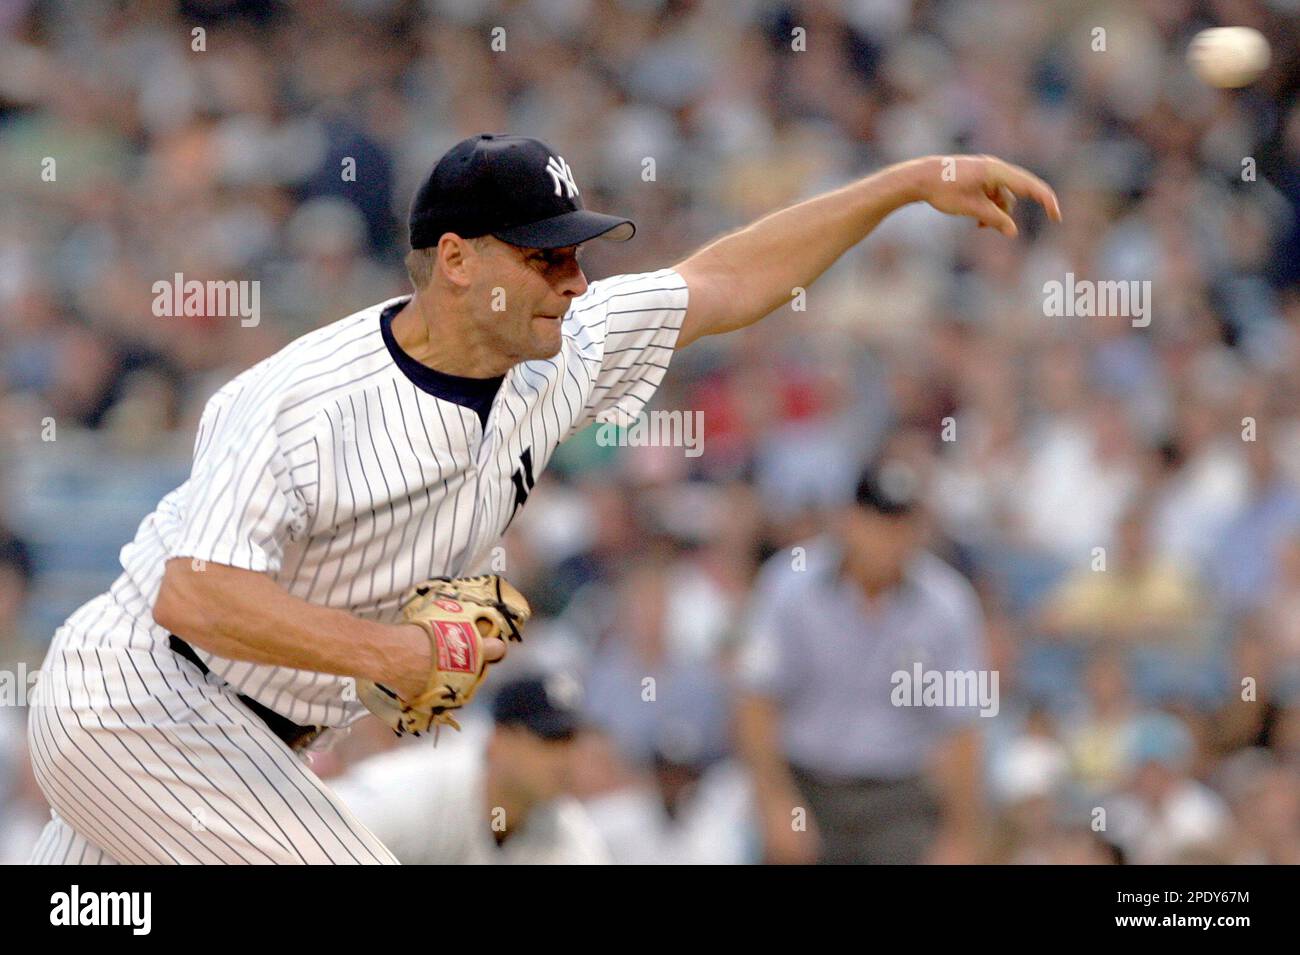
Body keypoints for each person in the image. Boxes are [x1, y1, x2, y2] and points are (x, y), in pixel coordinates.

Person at [28, 132, 1060, 864]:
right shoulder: (301, 399)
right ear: (456, 260)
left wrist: (905, 183)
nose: (571, 280)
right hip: (146, 701)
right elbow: (193, 595)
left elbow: (726, 284)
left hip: (251, 734)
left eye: (574, 253)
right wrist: (389, 652)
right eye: (543, 255)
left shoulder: (553, 361)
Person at [736, 457, 992, 864]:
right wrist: (774, 801)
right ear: (849, 520)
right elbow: (755, 701)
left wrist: (960, 834)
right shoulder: (789, 584)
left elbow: (962, 729)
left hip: (898, 796)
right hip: (807, 785)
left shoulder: (948, 604)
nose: (889, 538)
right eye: (877, 521)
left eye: (900, 525)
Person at [330, 674, 608, 864]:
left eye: (572, 741)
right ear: (498, 741)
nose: (565, 758)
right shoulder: (417, 788)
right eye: (550, 739)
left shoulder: (565, 827)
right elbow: (312, 838)